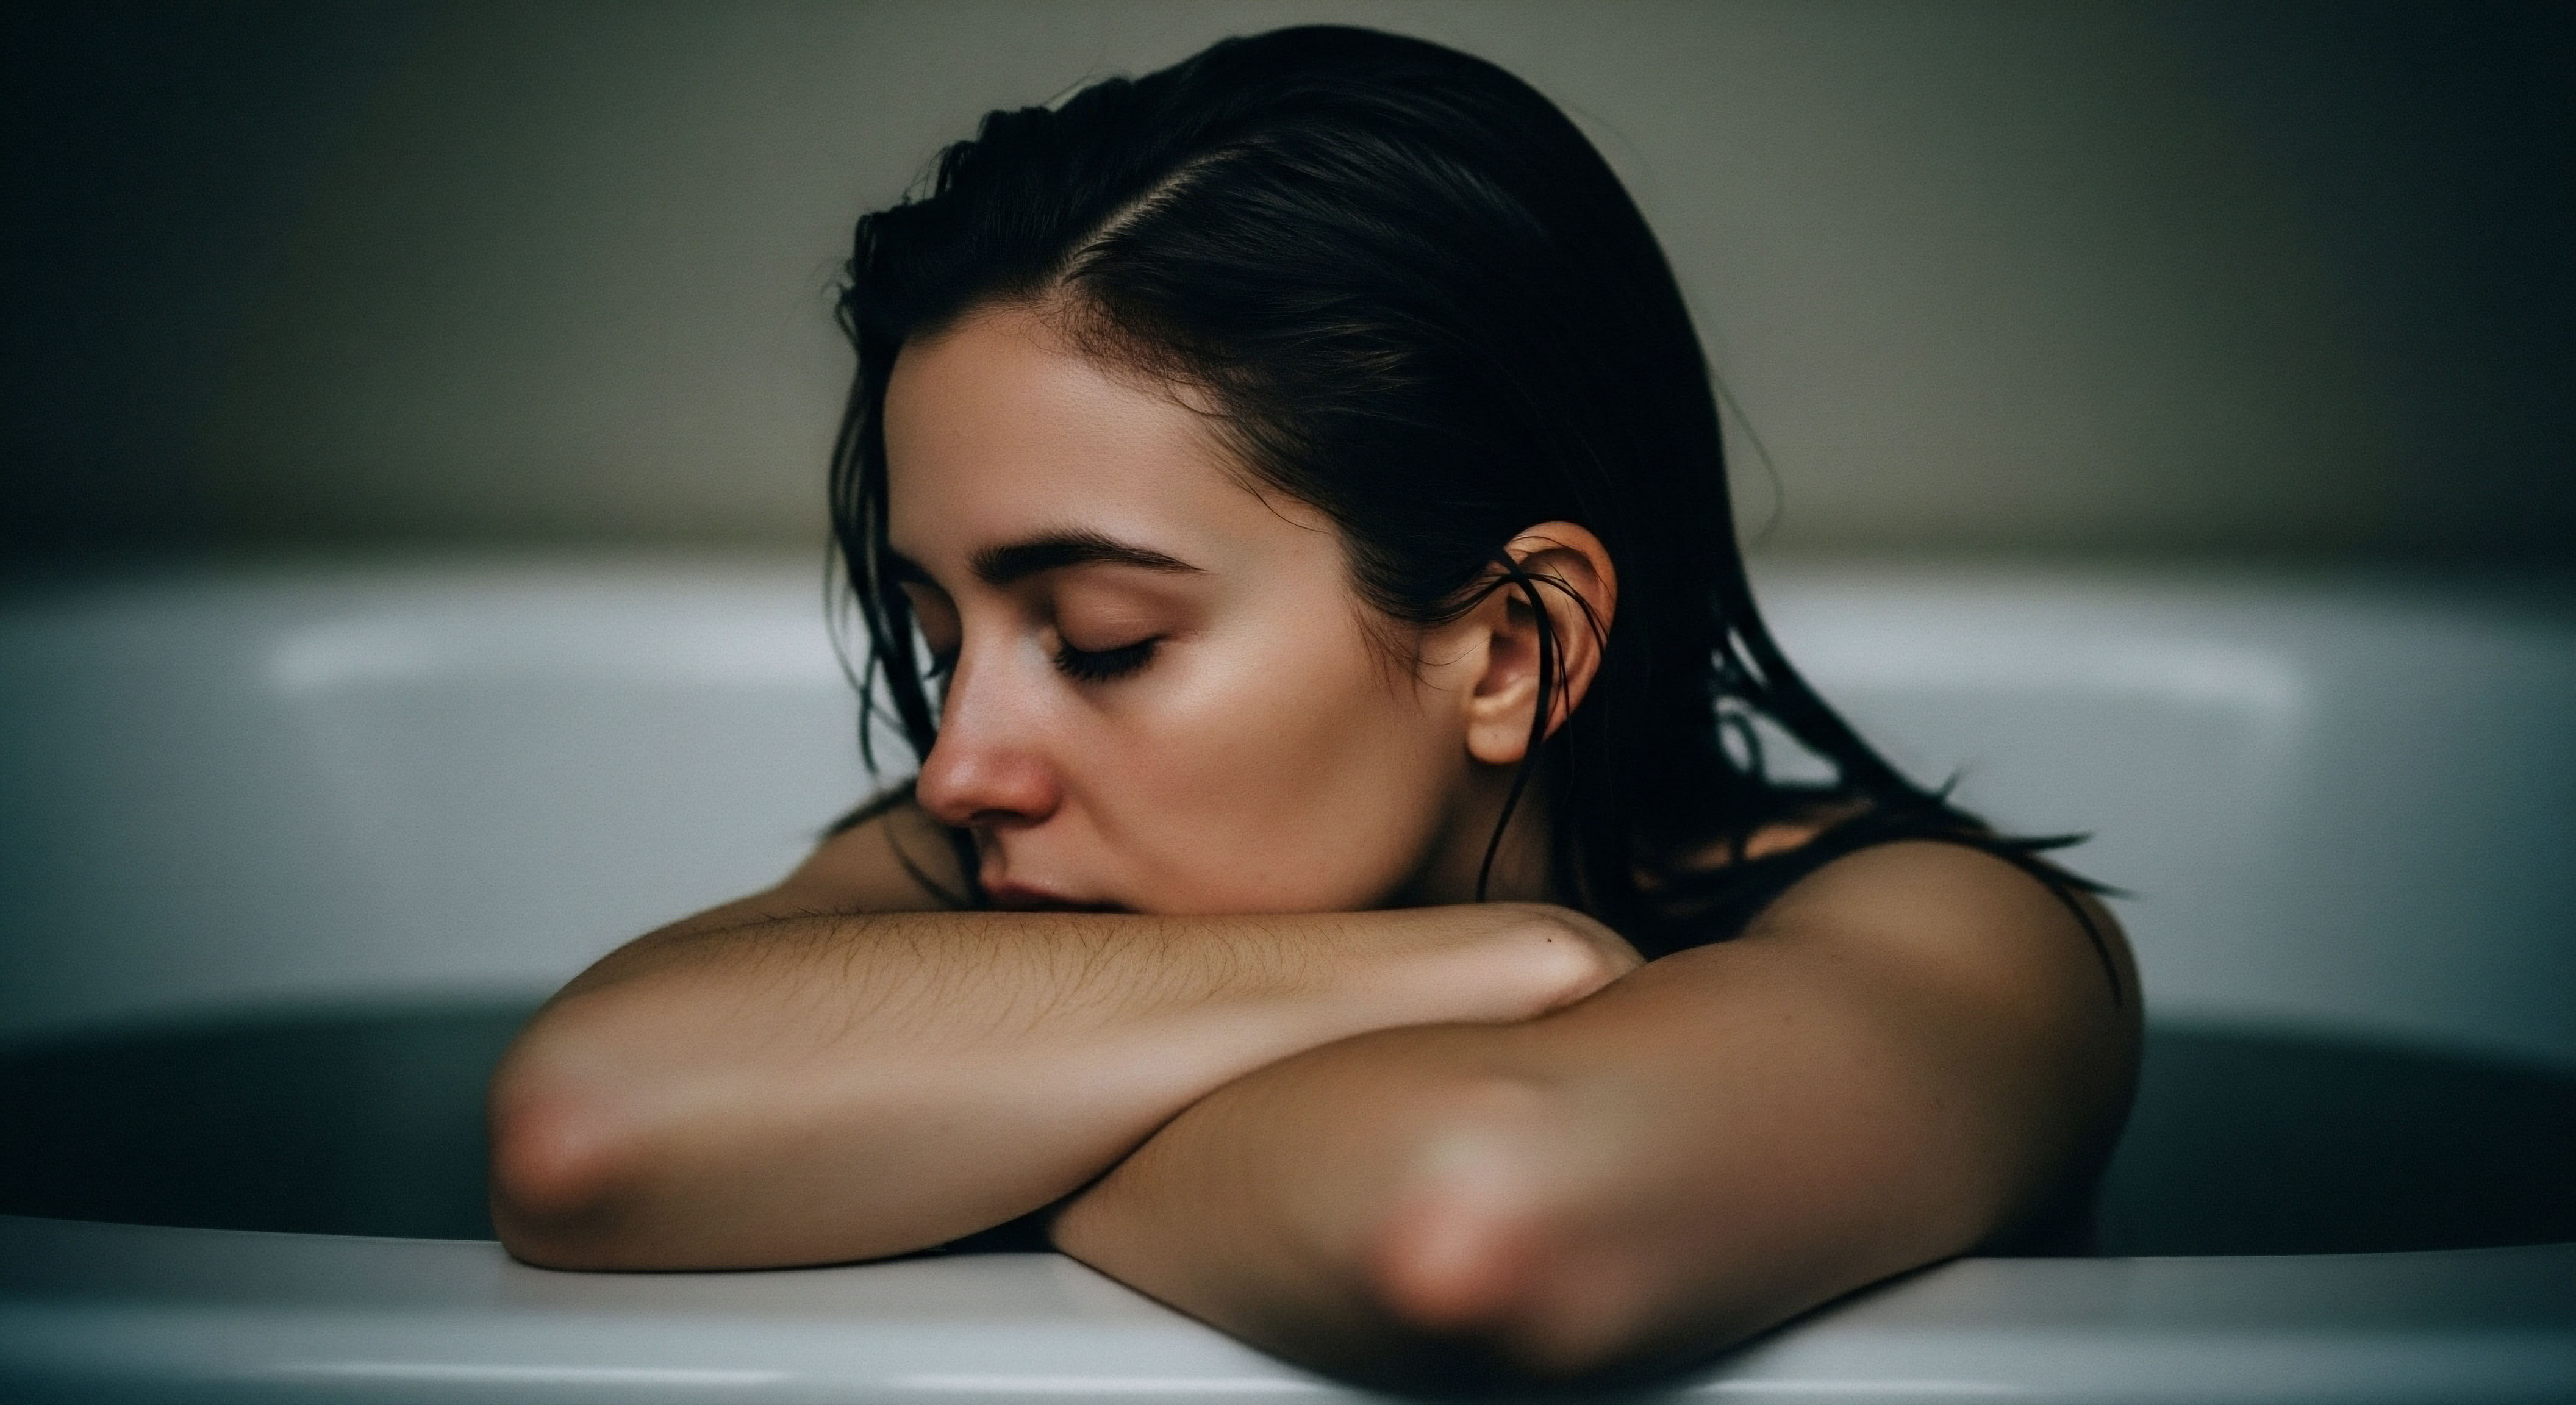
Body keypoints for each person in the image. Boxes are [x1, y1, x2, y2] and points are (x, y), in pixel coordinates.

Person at [485, 26, 2139, 1389]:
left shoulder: (1951, 934)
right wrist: (1494, 962)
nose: (963, 762)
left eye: (1105, 639)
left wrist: (931, 1131)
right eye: (936, 641)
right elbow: (588, 1124)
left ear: (1508, 646)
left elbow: (1468, 1228)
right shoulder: (984, 844)